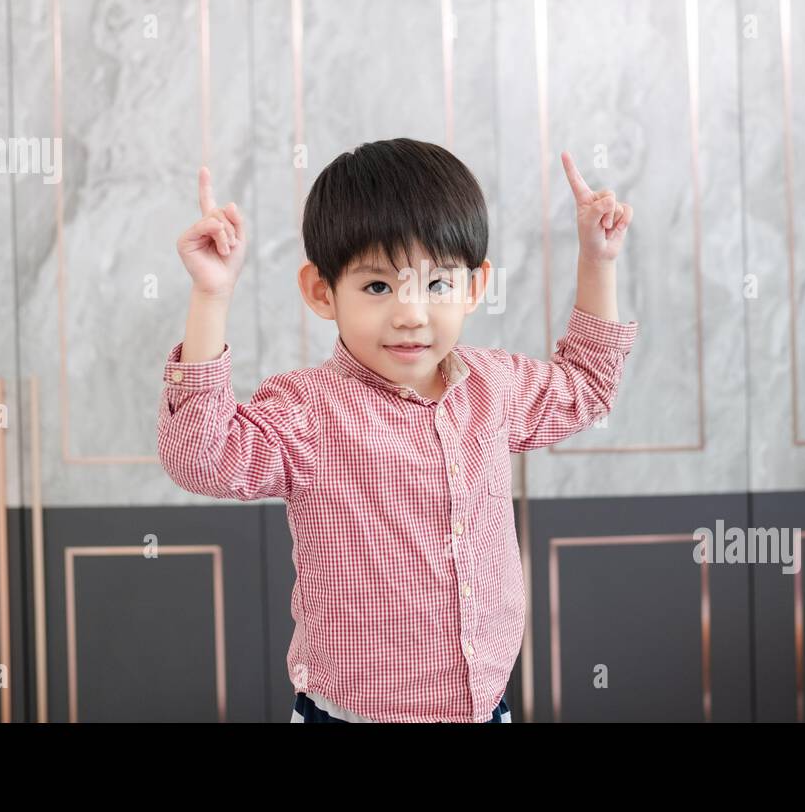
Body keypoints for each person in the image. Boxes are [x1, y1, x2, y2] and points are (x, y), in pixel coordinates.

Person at [157, 138, 637, 722]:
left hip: (485, 707)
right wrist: (212, 294)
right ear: (320, 291)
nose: (411, 313)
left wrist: (598, 262)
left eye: (438, 285)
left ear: (474, 288)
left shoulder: (493, 386)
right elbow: (202, 457)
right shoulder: (308, 410)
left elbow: (585, 385)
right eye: (378, 286)